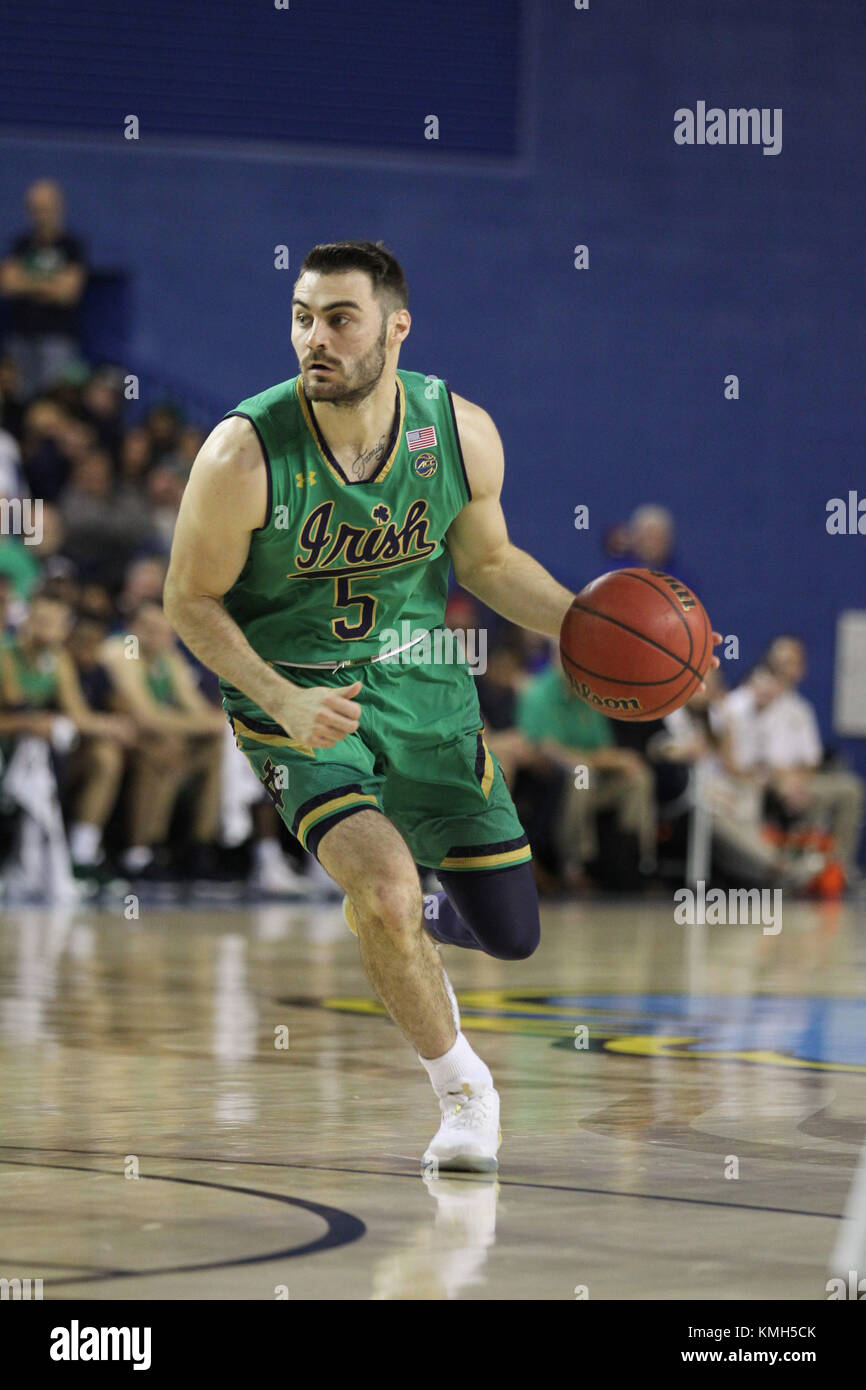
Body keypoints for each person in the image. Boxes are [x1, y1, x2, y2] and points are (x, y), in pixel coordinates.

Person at [163, 240, 578, 1173]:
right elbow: (188, 599)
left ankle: (409, 915)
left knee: (512, 936)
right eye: (303, 316)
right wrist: (278, 696)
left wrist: (583, 625)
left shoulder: (457, 431)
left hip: (425, 683)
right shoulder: (242, 450)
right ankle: (464, 1091)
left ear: (396, 327)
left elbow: (489, 564)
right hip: (300, 698)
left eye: (340, 318)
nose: (317, 338)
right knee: (384, 890)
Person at [0, 181, 87, 397]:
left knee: (52, 399)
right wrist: (51, 282)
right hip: (21, 337)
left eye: (44, 208)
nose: (39, 215)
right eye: (33, 209)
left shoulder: (71, 246)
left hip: (57, 339)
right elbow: (7, 285)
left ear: (58, 208)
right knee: (18, 398)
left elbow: (68, 293)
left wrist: (27, 280)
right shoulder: (21, 244)